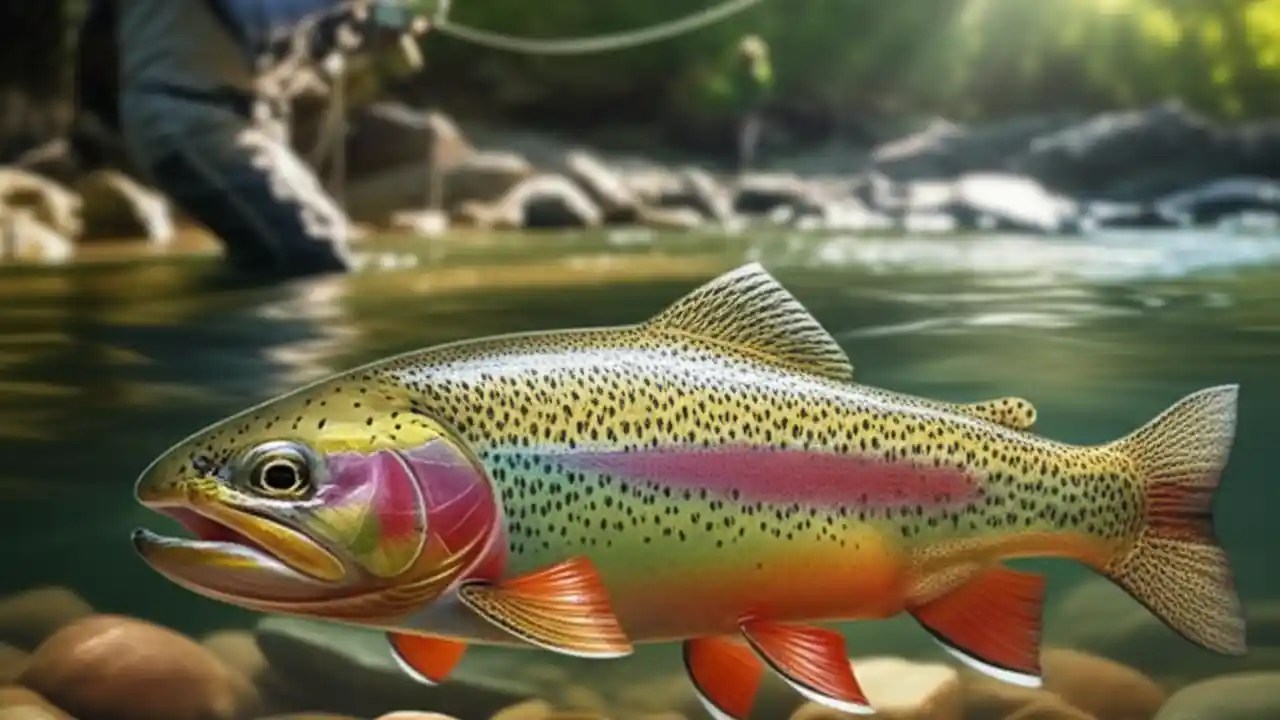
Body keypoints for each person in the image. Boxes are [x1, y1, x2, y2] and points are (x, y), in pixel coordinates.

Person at [74, 0, 433, 282]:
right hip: (187, 121)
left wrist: (380, 18)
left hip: (229, 125)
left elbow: (294, 37)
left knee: (321, 239)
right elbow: (257, 14)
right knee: (311, 255)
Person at [731, 34, 773, 174]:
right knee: (747, 137)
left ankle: (744, 165)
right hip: (751, 108)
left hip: (750, 108)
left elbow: (762, 87)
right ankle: (745, 165)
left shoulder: (753, 71)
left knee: (747, 137)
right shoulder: (755, 70)